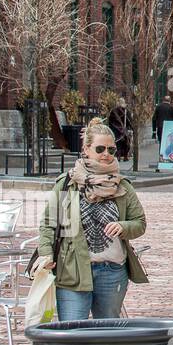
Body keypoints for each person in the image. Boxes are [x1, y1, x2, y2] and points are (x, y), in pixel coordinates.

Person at [36, 118, 148, 320]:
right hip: (72, 270)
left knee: (106, 334)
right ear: (86, 149)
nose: (106, 154)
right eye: (100, 149)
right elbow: (48, 223)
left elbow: (139, 222)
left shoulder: (123, 186)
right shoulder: (66, 184)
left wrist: (123, 227)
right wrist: (46, 254)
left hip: (112, 271)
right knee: (72, 332)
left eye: (111, 150)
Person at [107, 98, 132, 167]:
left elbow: (110, 121)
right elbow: (129, 121)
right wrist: (130, 128)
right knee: (126, 143)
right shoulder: (126, 111)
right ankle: (125, 156)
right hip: (124, 130)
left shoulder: (113, 111)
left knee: (118, 143)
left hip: (116, 129)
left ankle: (118, 156)